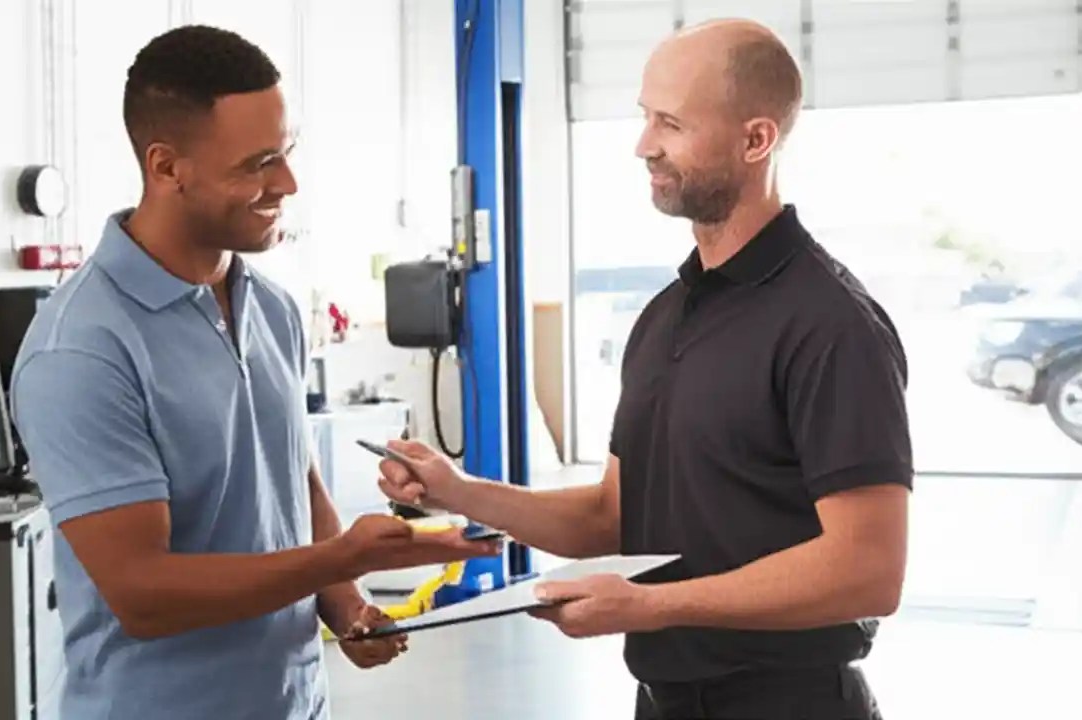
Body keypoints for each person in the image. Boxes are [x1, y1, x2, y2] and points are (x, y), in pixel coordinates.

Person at [376, 19, 910, 720]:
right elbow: (613, 516)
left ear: (756, 140)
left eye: (671, 124)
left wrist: (652, 605)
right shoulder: (666, 317)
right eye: (646, 116)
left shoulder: (830, 324)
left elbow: (868, 571)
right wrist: (460, 490)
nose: (643, 145)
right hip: (664, 704)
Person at [9, 25, 497, 720]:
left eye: (287, 152)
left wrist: (346, 605)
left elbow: (296, 483)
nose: (287, 183)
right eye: (259, 163)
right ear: (166, 167)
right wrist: (345, 559)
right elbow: (144, 595)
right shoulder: (81, 349)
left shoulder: (271, 306)